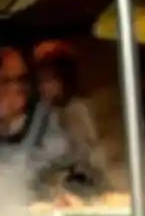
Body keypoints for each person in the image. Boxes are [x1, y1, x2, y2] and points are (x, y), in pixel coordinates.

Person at [31, 40, 104, 189]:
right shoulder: (45, 111)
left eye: (49, 80)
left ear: (64, 80)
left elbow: (87, 155)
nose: (43, 87)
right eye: (40, 81)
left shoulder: (77, 109)